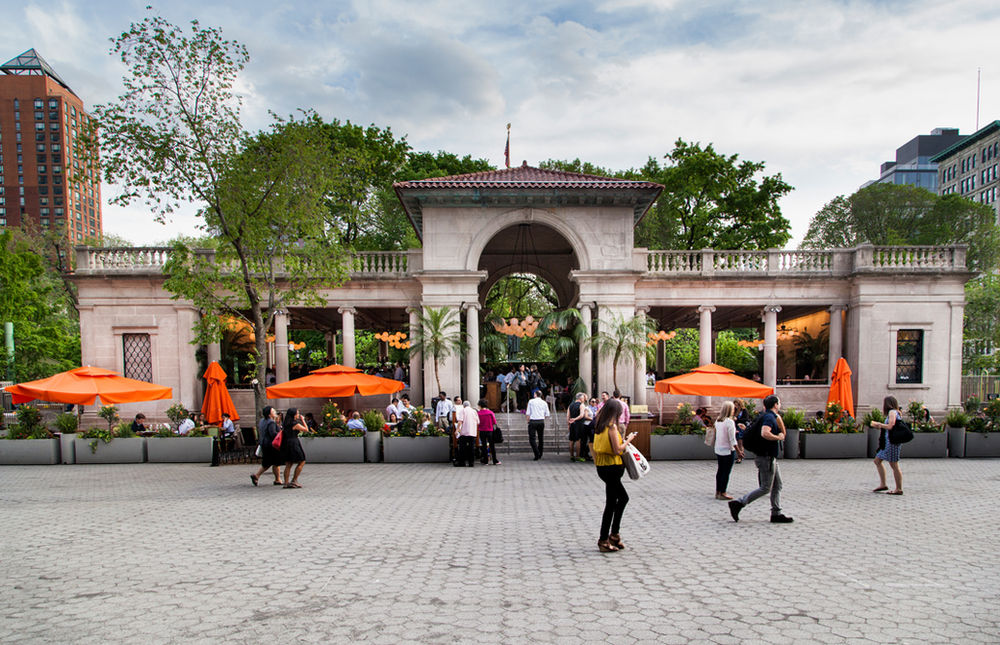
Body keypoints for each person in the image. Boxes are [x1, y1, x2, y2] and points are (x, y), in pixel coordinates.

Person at [728, 395, 793, 523]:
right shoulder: (769, 417)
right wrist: (778, 437)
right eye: (779, 402)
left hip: (768, 456)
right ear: (775, 405)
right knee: (765, 487)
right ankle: (739, 503)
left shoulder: (764, 415)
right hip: (766, 457)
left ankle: (776, 513)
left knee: (777, 485)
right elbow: (765, 433)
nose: (780, 405)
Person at [589, 398, 636, 552]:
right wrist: (628, 440)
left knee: (617, 499)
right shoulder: (611, 427)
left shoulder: (598, 425)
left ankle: (613, 535)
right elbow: (618, 449)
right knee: (616, 501)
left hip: (603, 467)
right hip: (612, 466)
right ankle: (605, 538)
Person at [870, 396, 904, 495]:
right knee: (877, 460)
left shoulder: (892, 412)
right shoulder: (895, 412)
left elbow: (890, 426)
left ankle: (899, 488)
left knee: (894, 465)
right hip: (887, 442)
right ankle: (883, 484)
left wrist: (879, 425)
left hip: (892, 442)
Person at [713, 402, 743, 500]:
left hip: (719, 448)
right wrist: (739, 451)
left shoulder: (718, 421)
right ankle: (723, 492)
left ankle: (718, 491)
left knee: (720, 470)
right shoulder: (730, 422)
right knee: (726, 471)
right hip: (728, 449)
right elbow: (732, 439)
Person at [251, 406, 282, 486]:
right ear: (269, 414)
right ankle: (257, 476)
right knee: (272, 462)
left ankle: (277, 479)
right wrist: (280, 433)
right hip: (271, 445)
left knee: (271, 462)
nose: (275, 412)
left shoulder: (262, 421)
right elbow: (273, 434)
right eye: (273, 411)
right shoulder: (271, 422)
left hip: (264, 444)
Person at [280, 408, 309, 489]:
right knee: (302, 460)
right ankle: (294, 480)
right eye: (297, 413)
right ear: (293, 415)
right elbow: (306, 429)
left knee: (288, 464)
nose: (298, 415)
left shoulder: (286, 423)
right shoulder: (294, 424)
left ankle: (286, 482)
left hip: (286, 443)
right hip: (294, 443)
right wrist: (303, 420)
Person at [525, 389, 550, 460]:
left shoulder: (531, 401)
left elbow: (528, 413)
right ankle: (540, 453)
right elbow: (547, 414)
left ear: (535, 395)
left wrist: (528, 421)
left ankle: (536, 453)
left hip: (533, 421)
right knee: (540, 438)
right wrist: (542, 418)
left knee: (532, 438)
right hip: (541, 421)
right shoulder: (544, 402)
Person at [455, 400, 479, 467]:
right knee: (471, 448)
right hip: (472, 432)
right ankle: (471, 463)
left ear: (464, 405)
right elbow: (478, 422)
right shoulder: (474, 411)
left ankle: (462, 462)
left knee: (462, 448)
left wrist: (457, 430)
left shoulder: (462, 410)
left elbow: (460, 421)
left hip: (464, 432)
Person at [477, 398, 500, 465]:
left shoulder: (478, 413)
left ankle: (485, 460)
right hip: (490, 430)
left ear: (480, 405)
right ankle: (495, 460)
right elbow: (494, 422)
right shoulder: (490, 413)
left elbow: (477, 422)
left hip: (482, 430)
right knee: (492, 446)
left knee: (484, 446)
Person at [567, 392, 588, 462]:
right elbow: (582, 415)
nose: (583, 399)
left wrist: (569, 424)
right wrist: (575, 419)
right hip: (579, 424)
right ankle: (578, 456)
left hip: (572, 424)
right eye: (583, 398)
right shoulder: (581, 405)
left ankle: (571, 456)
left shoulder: (570, 405)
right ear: (580, 398)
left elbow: (568, 416)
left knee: (571, 440)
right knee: (578, 440)